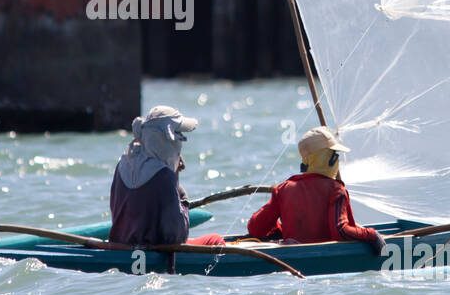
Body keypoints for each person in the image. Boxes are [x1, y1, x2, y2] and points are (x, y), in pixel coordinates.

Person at [248, 126, 386, 251]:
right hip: (325, 261)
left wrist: (281, 230)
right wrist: (372, 234)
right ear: (329, 159)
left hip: (292, 260)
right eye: (335, 156)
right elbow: (341, 231)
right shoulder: (336, 190)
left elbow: (255, 228)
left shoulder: (283, 189)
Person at [110, 105, 225, 247]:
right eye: (178, 135)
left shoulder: (122, 164)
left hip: (120, 247)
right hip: (154, 252)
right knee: (215, 240)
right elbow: (176, 236)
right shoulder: (164, 177)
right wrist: (181, 195)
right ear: (167, 138)